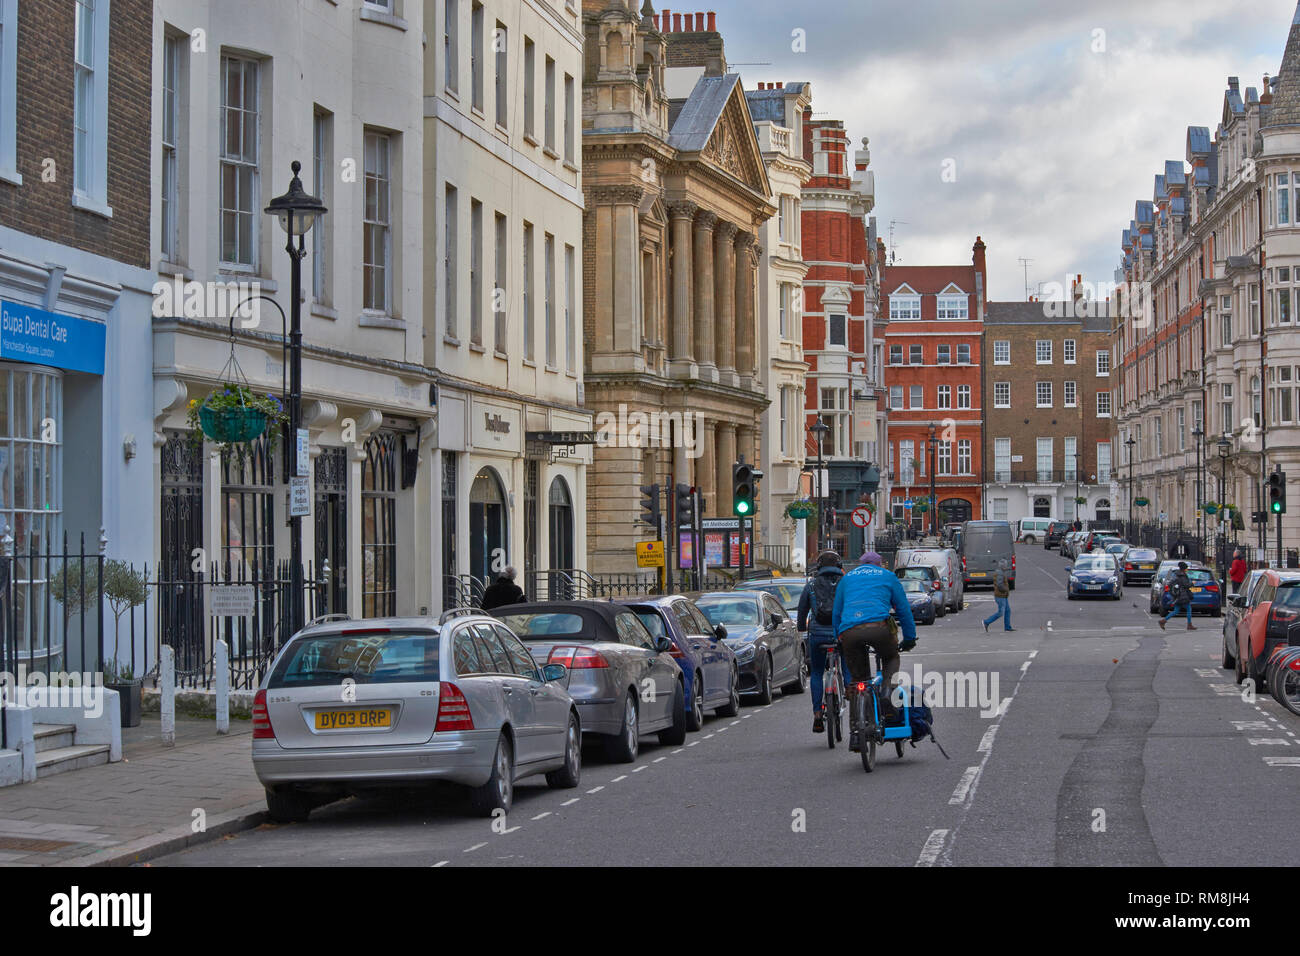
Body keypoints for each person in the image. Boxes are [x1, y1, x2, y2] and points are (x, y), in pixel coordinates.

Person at [832, 551, 917, 749]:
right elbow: (903, 609)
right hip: (880, 628)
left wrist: (839, 636)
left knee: (858, 681)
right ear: (880, 564)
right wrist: (910, 638)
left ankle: (855, 733)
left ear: (860, 564)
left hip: (850, 631)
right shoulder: (888, 576)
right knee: (891, 657)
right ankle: (887, 691)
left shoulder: (846, 579)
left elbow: (837, 612)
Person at [797, 550, 845, 734]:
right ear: (839, 566)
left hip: (817, 634)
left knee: (816, 672)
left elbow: (802, 610)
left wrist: (802, 628)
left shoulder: (811, 585)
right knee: (847, 658)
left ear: (819, 566)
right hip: (839, 632)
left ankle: (818, 713)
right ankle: (850, 688)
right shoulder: (844, 583)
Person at [1158, 561, 1196, 631]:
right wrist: (1192, 583)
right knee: (1189, 609)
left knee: (1176, 611)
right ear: (1184, 568)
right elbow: (1186, 585)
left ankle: (1163, 621)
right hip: (1183, 595)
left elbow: (1170, 584)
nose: (1187, 569)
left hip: (1178, 595)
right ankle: (1189, 625)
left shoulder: (1176, 574)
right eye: (1186, 568)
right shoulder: (1182, 576)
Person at [982, 558, 1014, 632]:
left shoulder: (1000, 572)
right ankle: (986, 622)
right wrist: (1006, 590)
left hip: (1003, 595)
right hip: (1000, 596)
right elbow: (999, 585)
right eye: (1005, 565)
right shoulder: (1000, 573)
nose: (1006, 567)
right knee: (1001, 612)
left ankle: (1007, 627)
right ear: (1003, 566)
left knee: (1007, 611)